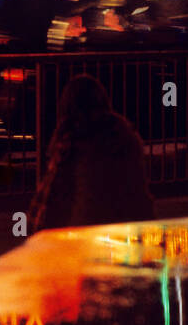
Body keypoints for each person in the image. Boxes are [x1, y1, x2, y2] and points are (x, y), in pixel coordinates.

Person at [28, 75, 153, 232]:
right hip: (127, 229)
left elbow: (48, 202)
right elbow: (140, 196)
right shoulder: (126, 136)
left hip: (83, 234)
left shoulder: (70, 142)